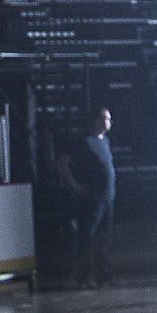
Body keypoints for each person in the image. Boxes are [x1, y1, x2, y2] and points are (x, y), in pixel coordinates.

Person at [54, 106, 116, 286]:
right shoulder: (83, 142)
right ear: (96, 120)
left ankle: (102, 274)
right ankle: (84, 276)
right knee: (87, 237)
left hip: (107, 198)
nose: (109, 122)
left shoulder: (105, 141)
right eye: (106, 118)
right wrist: (75, 185)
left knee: (103, 238)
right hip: (92, 198)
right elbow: (62, 163)